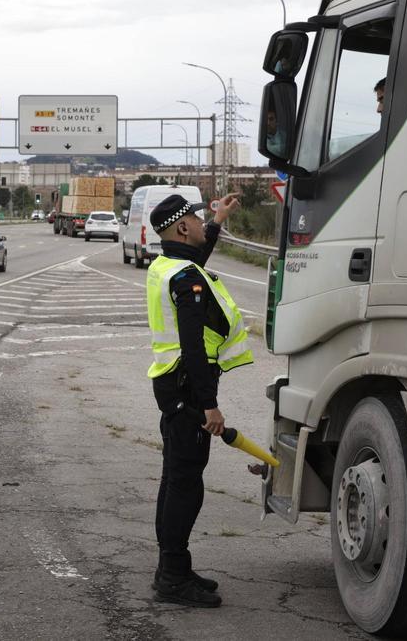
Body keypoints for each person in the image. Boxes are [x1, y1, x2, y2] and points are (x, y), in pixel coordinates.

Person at [146, 193, 253, 608]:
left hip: (173, 386)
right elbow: (192, 344)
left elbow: (196, 261)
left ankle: (172, 568)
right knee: (185, 485)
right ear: (182, 228)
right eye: (195, 218)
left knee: (175, 480)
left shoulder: (168, 267)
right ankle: (172, 578)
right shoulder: (183, 278)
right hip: (189, 386)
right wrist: (210, 405)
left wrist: (219, 221)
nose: (199, 221)